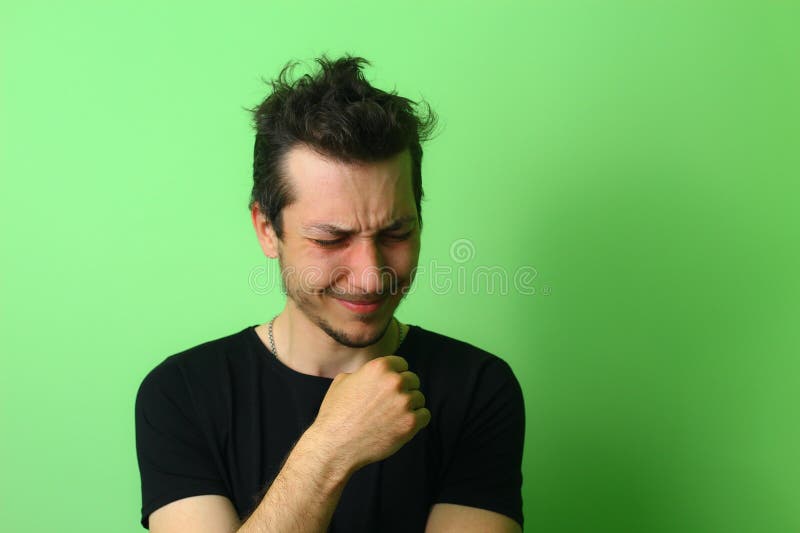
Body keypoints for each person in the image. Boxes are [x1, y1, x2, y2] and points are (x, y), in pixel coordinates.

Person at [135, 54, 525, 533]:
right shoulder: (181, 394)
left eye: (397, 232)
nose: (370, 276)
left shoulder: (477, 388)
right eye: (330, 240)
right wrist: (330, 450)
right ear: (266, 229)